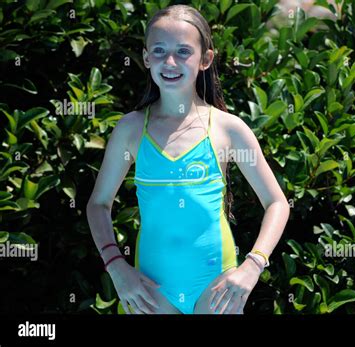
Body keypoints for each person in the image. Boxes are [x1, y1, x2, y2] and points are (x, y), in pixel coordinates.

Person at [86, 4, 290, 314]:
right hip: (149, 291)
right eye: (159, 50)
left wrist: (253, 266)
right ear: (145, 57)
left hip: (217, 288)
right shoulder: (130, 129)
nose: (170, 61)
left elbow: (277, 203)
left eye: (183, 51)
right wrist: (116, 267)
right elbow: (98, 204)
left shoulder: (227, 129)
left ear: (205, 59)